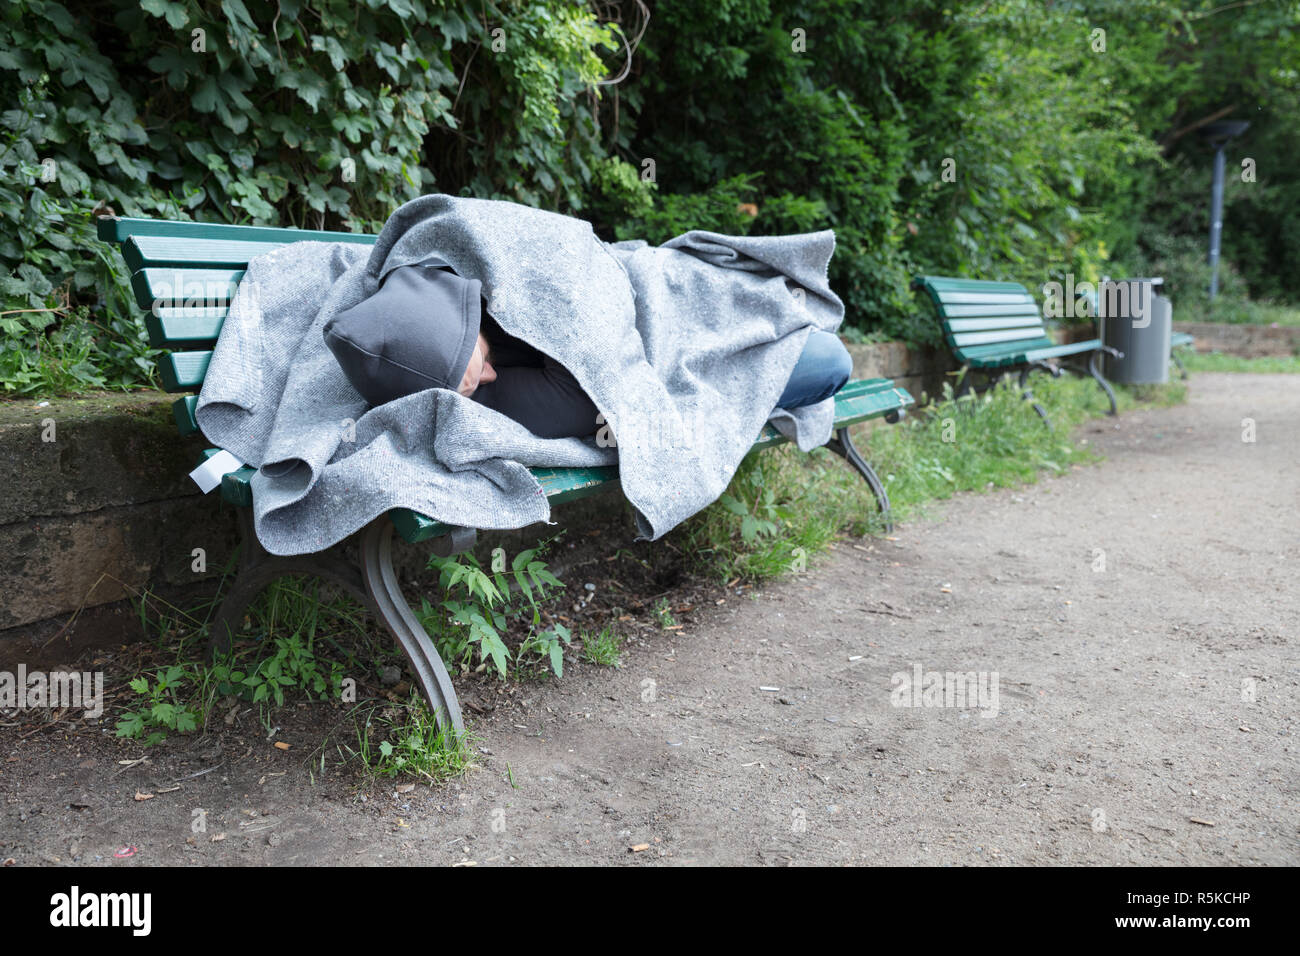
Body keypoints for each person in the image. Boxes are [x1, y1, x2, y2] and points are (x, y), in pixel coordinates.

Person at [324, 258, 852, 440]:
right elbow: (596, 395)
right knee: (830, 361)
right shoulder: (494, 396)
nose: (487, 380)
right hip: (668, 354)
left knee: (779, 302)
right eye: (468, 390)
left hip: (660, 284)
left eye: (476, 364)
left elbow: (572, 262)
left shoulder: (450, 268)